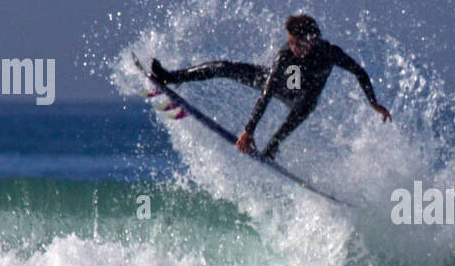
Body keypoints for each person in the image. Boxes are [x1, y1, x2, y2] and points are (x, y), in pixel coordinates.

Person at [150, 14, 391, 161]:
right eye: (290, 42)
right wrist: (249, 130)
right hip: (282, 87)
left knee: (289, 124)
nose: (291, 47)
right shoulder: (285, 56)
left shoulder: (329, 53)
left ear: (311, 40)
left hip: (304, 101)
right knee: (224, 66)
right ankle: (170, 77)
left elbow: (359, 71)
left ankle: (272, 150)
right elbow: (266, 93)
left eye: (296, 43)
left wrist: (373, 103)